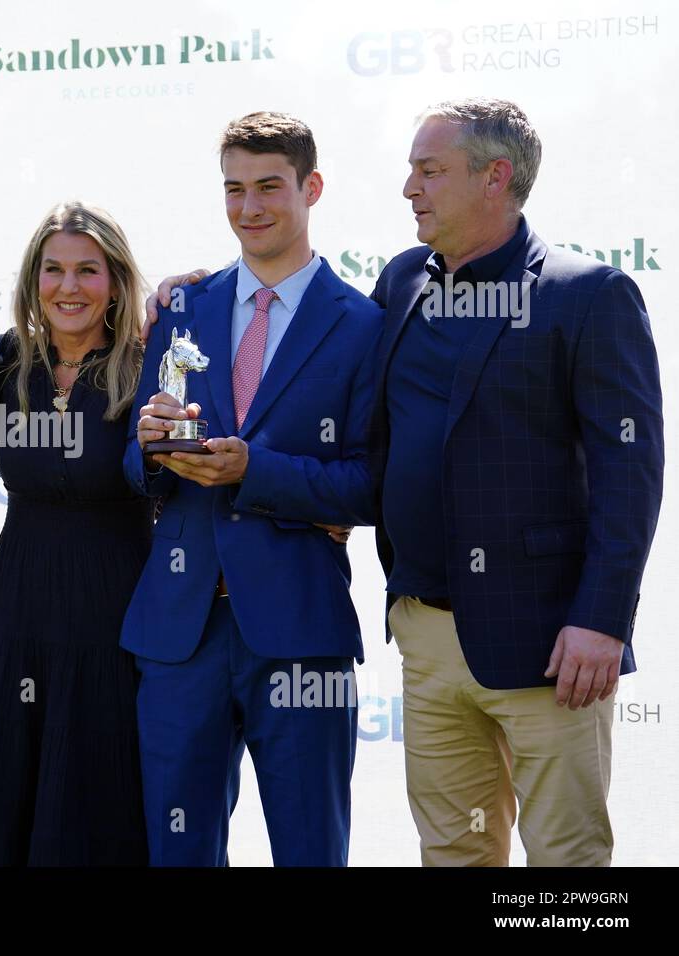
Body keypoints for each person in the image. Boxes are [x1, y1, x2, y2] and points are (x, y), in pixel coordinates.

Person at [366, 98, 663, 866]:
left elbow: (630, 473)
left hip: (552, 641)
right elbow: (320, 347)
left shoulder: (587, 295)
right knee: (454, 855)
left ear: (495, 176)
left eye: (429, 171)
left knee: (566, 863)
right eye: (411, 170)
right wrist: (194, 290)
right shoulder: (401, 281)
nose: (409, 188)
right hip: (426, 635)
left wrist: (604, 619)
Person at [124, 112, 383, 866]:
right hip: (179, 634)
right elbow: (131, 464)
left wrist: (254, 471)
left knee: (310, 851)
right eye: (234, 189)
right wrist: (147, 449)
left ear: (313, 188)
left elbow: (371, 485)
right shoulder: (181, 307)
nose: (250, 207)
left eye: (270, 187)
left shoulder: (364, 325)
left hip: (301, 632)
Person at [0, 202, 151, 865]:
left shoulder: (148, 368)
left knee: (100, 791)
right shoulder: (1, 368)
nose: (69, 287)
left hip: (114, 619)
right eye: (53, 269)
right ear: (32, 282)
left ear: (114, 281)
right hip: (16, 614)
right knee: (7, 787)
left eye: (88, 270)